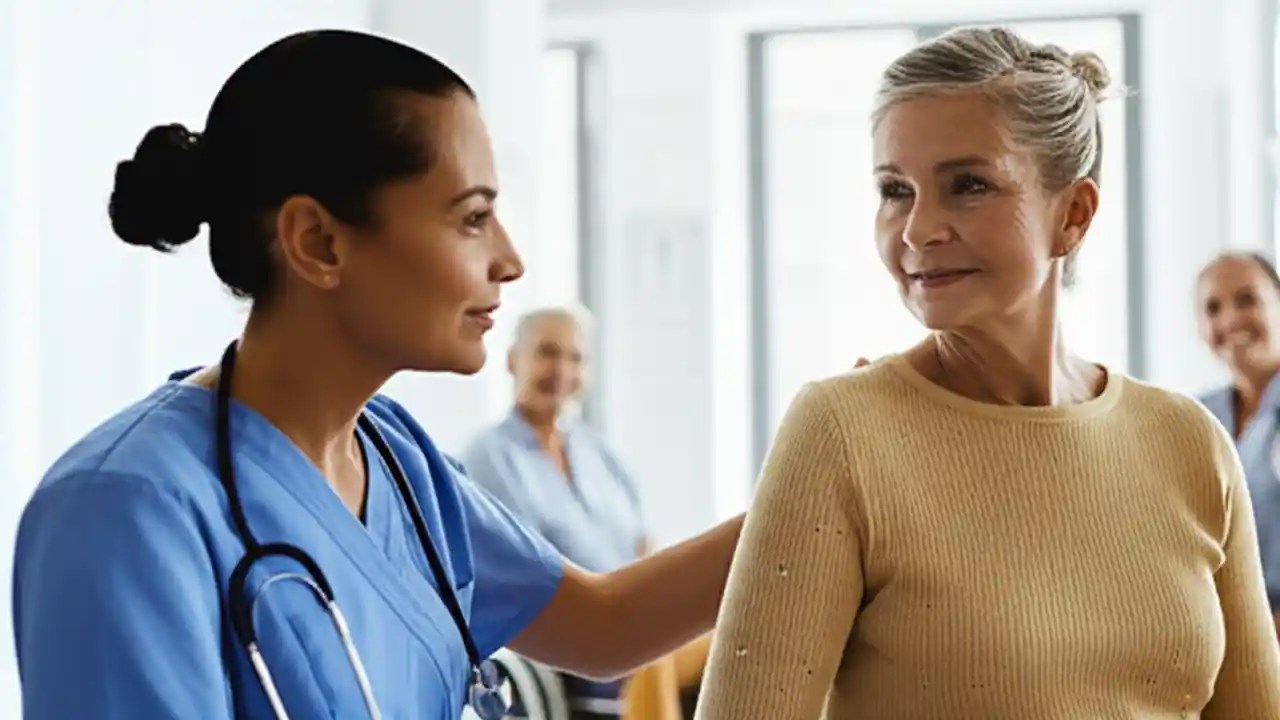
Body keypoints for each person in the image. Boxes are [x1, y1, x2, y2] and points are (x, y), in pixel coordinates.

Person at [11, 29, 742, 720]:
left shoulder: (399, 462)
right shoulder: (124, 507)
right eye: (472, 218)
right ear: (319, 242)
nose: (509, 260)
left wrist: (807, 481)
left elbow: (607, 625)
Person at [695, 26, 1280, 719]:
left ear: (1074, 215)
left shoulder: (1190, 442)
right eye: (895, 190)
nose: (917, 230)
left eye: (968, 185)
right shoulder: (841, 433)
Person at [463, 306, 709, 719]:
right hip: (577, 633)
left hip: (639, 617)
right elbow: (519, 572)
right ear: (512, 360)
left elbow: (645, 546)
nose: (561, 370)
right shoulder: (490, 458)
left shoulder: (603, 456)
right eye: (547, 353)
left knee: (744, 638)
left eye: (574, 358)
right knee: (655, 655)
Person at [1196, 251, 1280, 630]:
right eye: (1213, 308)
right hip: (1222, 633)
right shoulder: (1198, 416)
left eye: (1247, 300)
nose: (1230, 320)